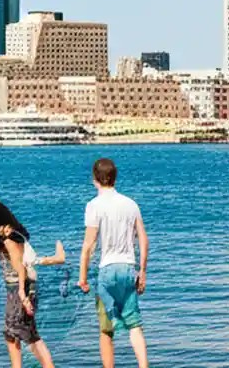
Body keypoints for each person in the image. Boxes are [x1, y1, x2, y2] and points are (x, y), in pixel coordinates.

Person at [77, 158, 149, 368]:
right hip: (128, 268)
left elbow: (89, 244)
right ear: (115, 178)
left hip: (107, 270)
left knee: (106, 329)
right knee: (134, 325)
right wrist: (142, 272)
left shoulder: (94, 206)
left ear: (94, 180)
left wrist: (82, 277)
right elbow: (143, 240)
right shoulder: (131, 204)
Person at [0, 200, 66, 368]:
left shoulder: (10, 238)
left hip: (20, 286)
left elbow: (20, 268)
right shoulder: (9, 234)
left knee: (21, 333)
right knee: (18, 333)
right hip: (20, 286)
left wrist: (22, 293)